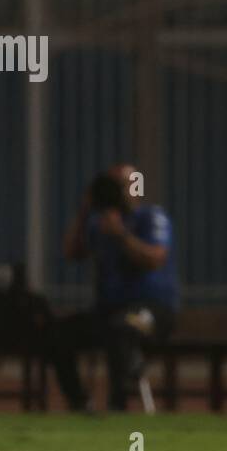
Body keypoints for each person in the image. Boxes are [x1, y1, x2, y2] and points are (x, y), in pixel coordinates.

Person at [46, 164, 179, 411]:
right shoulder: (98, 224)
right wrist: (85, 211)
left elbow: (155, 259)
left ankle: (119, 406)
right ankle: (80, 405)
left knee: (123, 328)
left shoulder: (151, 217)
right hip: (108, 312)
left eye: (121, 186)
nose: (117, 193)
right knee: (59, 334)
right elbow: (71, 252)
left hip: (153, 311)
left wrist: (121, 235)